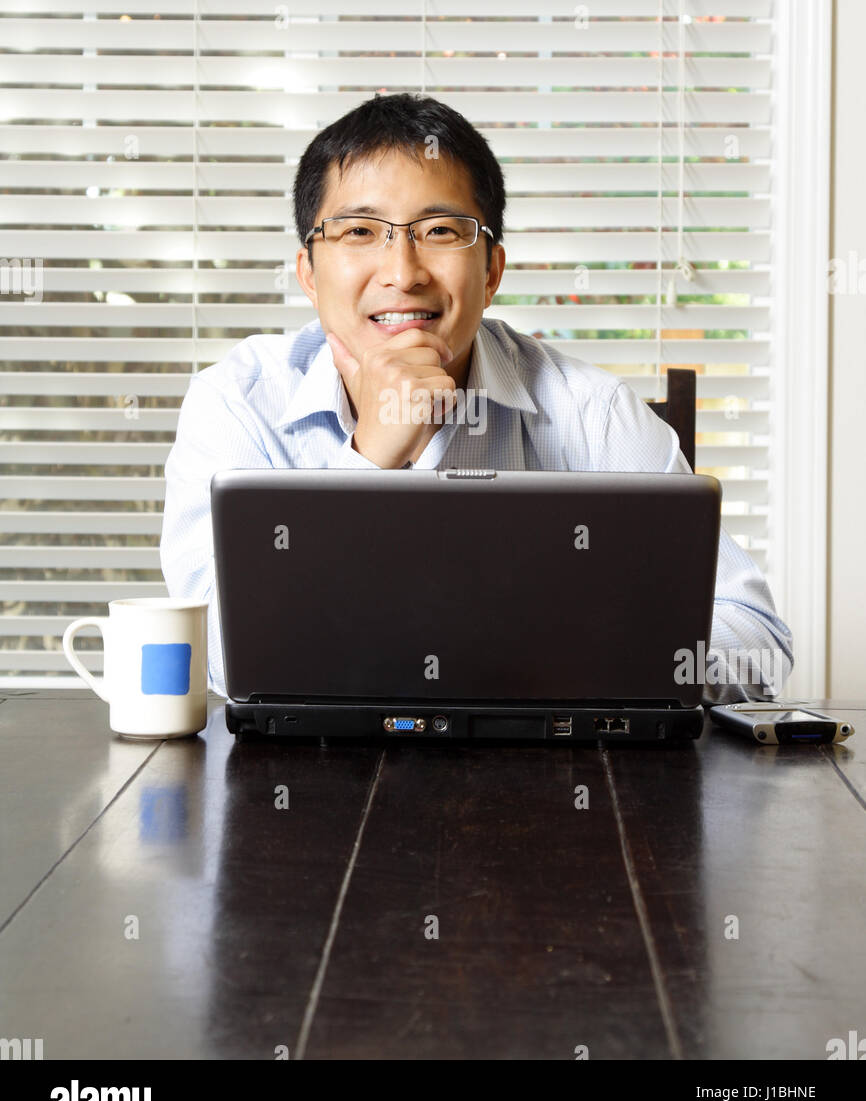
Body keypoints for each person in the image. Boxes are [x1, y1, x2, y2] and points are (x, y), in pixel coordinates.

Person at [160, 92, 793, 704]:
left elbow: (755, 634)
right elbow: (218, 651)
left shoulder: (592, 414)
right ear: (309, 274)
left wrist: (572, 659)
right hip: (309, 786)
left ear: (490, 272)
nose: (403, 272)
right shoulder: (236, 402)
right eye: (359, 231)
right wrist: (369, 458)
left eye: (439, 230)